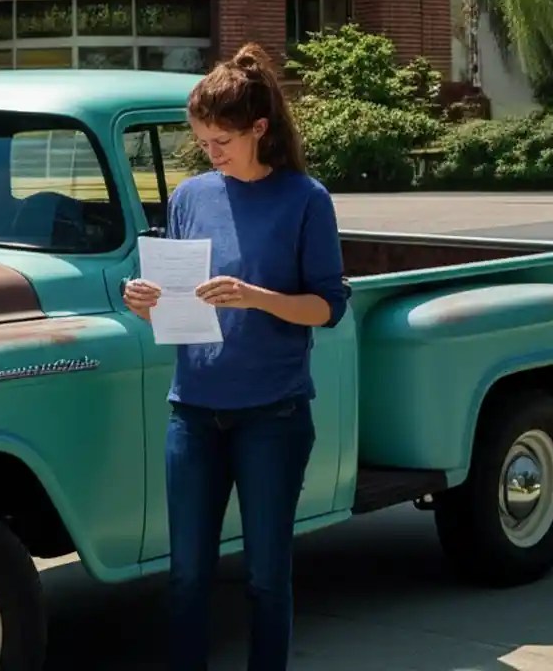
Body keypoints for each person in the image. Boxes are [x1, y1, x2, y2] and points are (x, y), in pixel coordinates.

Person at [123, 42, 348, 670]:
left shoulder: (306, 199)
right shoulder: (191, 197)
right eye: (202, 140)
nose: (210, 152)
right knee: (186, 577)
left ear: (259, 128)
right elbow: (180, 296)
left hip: (271, 417)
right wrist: (147, 300)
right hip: (191, 413)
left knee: (266, 577)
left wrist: (256, 297)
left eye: (221, 139)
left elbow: (329, 307)